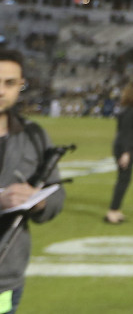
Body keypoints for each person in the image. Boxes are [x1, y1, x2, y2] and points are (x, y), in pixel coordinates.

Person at [0, 49, 65, 312]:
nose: (1, 91)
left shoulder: (34, 136)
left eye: (9, 83)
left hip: (5, 277)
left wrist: (40, 202)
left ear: (21, 85)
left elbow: (56, 193)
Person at [105, 82, 133, 224]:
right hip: (126, 149)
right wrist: (126, 152)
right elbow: (125, 134)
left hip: (128, 148)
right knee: (123, 180)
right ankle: (112, 211)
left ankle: (116, 210)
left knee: (125, 179)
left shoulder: (130, 109)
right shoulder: (131, 111)